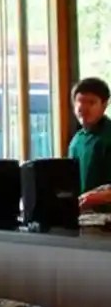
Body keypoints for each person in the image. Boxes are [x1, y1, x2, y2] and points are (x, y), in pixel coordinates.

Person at [68, 78, 111, 211]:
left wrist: (101, 196)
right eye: (80, 102)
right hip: (82, 217)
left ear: (104, 105)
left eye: (91, 102)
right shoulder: (76, 140)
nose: (84, 108)